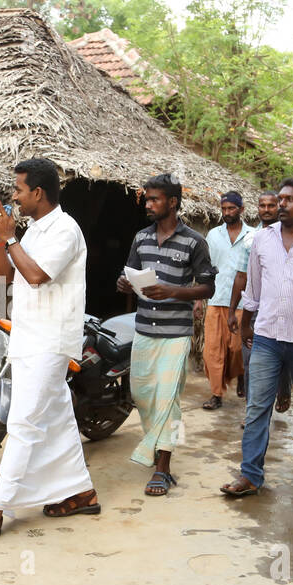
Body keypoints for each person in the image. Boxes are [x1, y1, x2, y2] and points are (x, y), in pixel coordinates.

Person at [0, 158, 97, 542]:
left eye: (18, 189)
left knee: (22, 423)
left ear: (38, 193)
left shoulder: (65, 229)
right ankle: (81, 492)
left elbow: (36, 276)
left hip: (49, 341)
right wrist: (1, 239)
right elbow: (6, 277)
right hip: (28, 336)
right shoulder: (30, 231)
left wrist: (11, 237)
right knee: (60, 419)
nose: (13, 196)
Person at [220, 178, 293, 497]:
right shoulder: (261, 239)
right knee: (257, 405)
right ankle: (250, 474)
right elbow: (254, 287)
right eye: (280, 199)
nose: (282, 204)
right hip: (267, 337)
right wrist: (246, 324)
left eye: (289, 200)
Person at [117, 174, 215, 497]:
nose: (148, 204)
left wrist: (172, 291)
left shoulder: (194, 242)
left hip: (176, 333)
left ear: (172, 202)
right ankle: (159, 446)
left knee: (168, 398)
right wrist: (124, 283)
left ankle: (163, 467)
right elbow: (128, 273)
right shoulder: (140, 238)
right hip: (144, 328)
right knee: (142, 395)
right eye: (147, 199)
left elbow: (208, 287)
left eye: (154, 199)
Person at [238, 190, 293, 415]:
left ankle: (284, 388)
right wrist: (235, 311)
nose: (267, 210)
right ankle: (254, 411)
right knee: (252, 361)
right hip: (254, 312)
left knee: (284, 356)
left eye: (272, 205)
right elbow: (241, 276)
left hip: (283, 309)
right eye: (263, 206)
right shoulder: (250, 240)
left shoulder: (290, 237)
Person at [198, 192, 252, 410]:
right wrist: (198, 299)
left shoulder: (253, 235)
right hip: (216, 298)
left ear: (241, 209)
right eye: (224, 209)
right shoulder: (213, 235)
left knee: (238, 348)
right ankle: (216, 394)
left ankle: (240, 375)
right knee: (212, 349)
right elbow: (205, 268)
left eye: (232, 208)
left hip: (242, 303)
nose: (227, 213)